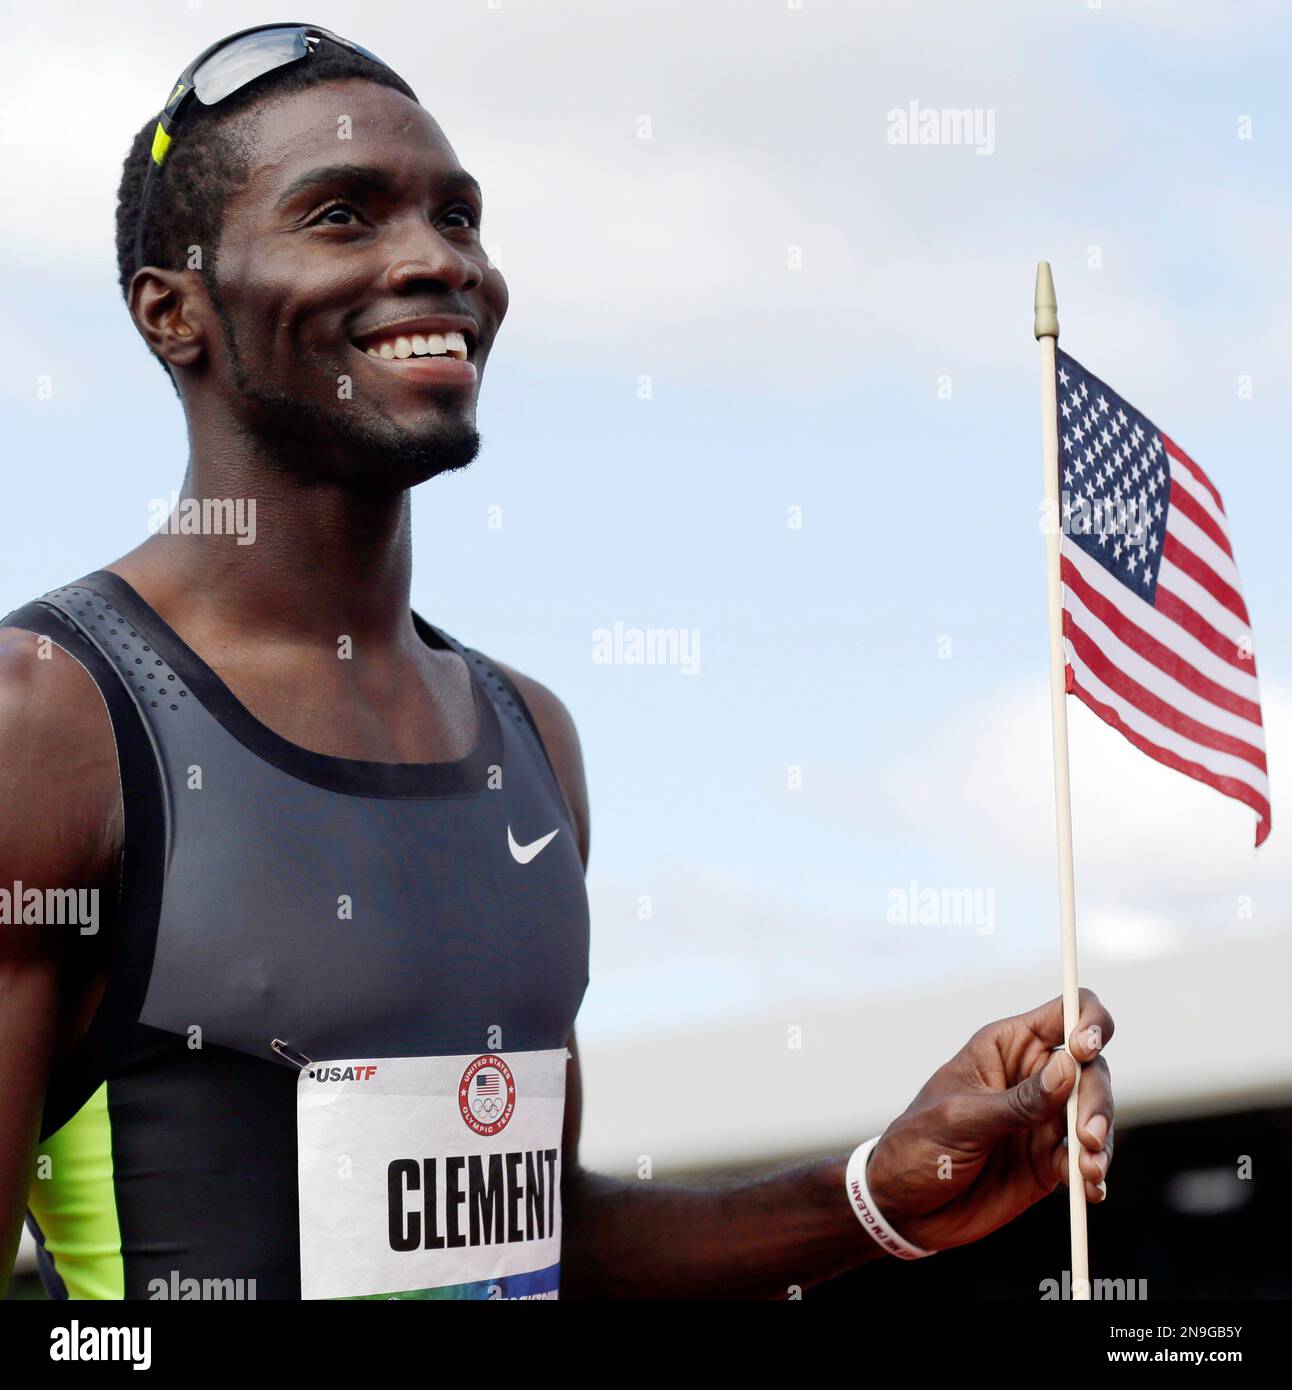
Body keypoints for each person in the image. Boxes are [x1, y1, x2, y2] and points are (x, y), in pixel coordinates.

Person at [0, 24, 1114, 1301]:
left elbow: (538, 1247)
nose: (435, 260)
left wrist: (878, 1190)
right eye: (343, 216)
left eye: (458, 218)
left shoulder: (525, 737)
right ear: (173, 310)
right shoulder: (51, 717)